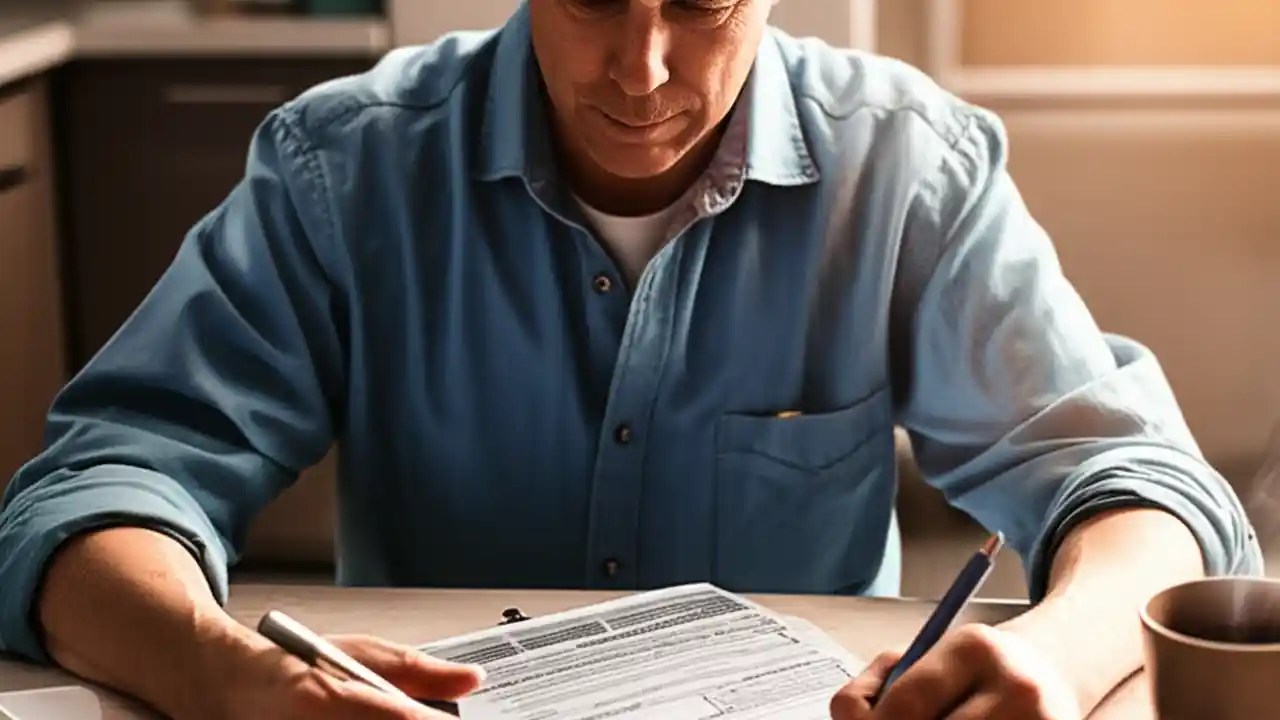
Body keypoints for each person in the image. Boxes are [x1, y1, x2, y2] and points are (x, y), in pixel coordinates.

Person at [0, 0, 1261, 718]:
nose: (644, 72)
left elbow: (1137, 487)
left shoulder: (906, 167)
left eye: (702, 2)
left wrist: (1053, 649)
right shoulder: (345, 166)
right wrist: (228, 681)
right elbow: (89, 498)